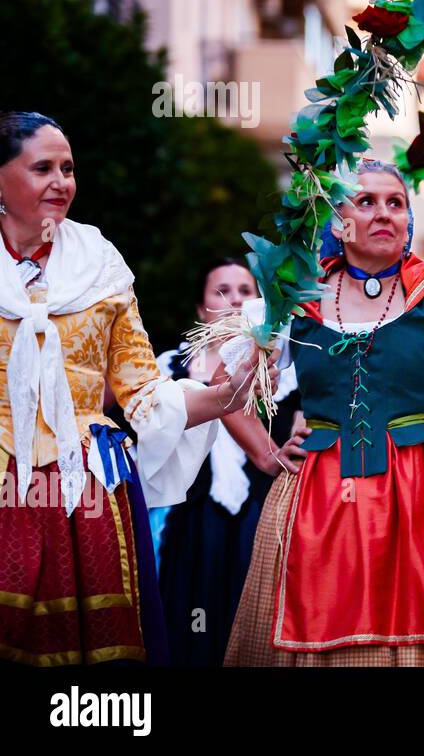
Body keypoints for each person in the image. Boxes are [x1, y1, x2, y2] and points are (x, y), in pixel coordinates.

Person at [224, 144, 424, 666]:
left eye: (396, 203)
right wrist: (264, 453)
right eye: (366, 201)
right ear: (339, 220)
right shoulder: (294, 303)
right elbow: (226, 385)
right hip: (317, 495)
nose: (383, 212)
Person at [0, 111, 273, 666]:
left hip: (91, 492)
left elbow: (143, 390)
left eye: (69, 169)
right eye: (43, 168)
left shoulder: (99, 263)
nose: (62, 182)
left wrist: (224, 397)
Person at [155, 259, 306, 666]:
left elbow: (301, 429)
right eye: (221, 290)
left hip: (260, 513)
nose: (235, 299)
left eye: (245, 290)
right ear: (202, 309)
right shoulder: (168, 368)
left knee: (255, 616)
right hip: (190, 515)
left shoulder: (285, 371)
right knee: (190, 618)